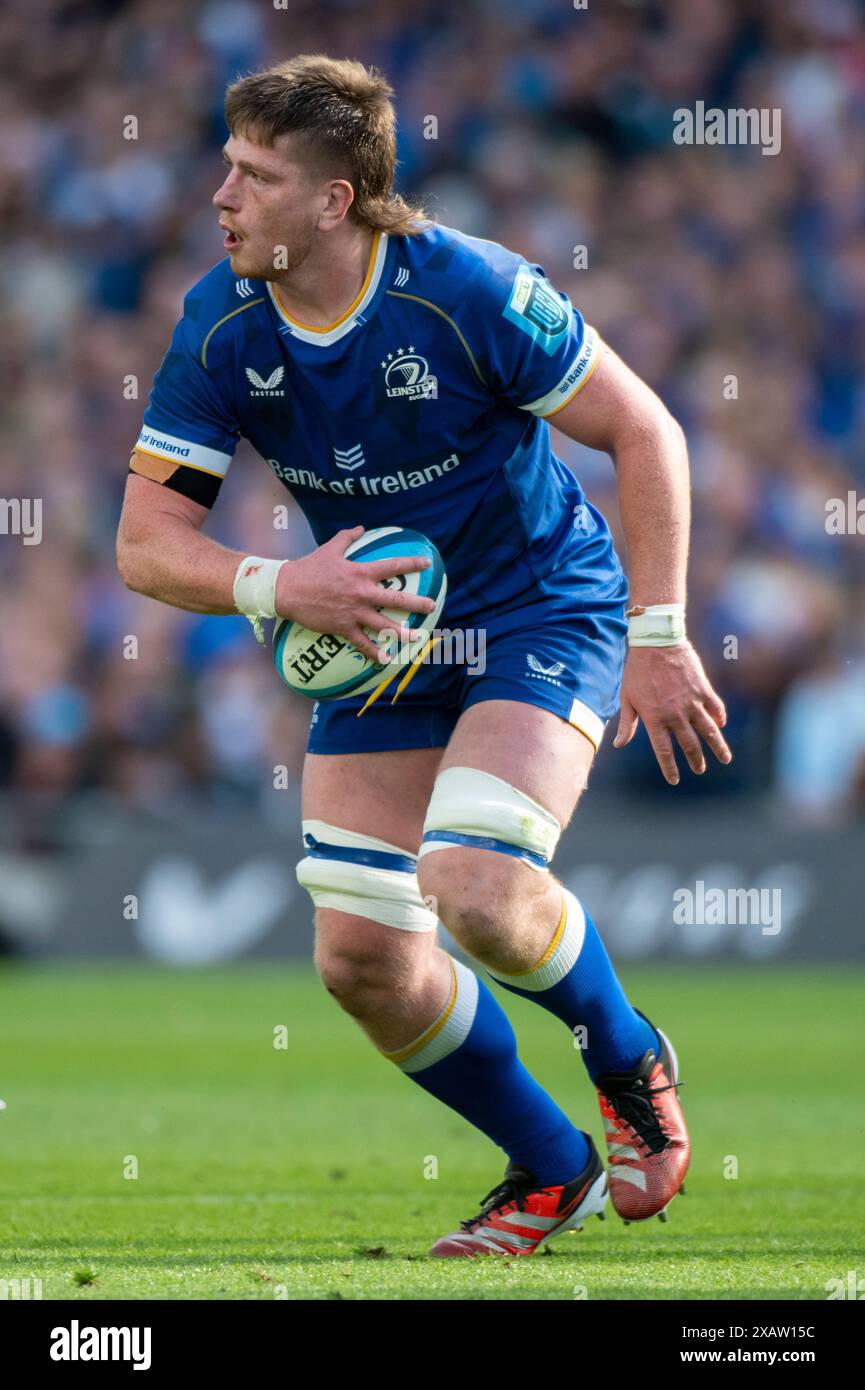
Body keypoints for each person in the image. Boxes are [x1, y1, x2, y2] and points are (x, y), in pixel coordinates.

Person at [116, 54, 731, 1257]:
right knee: (358, 958)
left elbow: (644, 431)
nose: (219, 197)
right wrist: (280, 583)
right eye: (225, 165)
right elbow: (144, 544)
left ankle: (626, 1056)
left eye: (252, 173)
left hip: (537, 610)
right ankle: (551, 1167)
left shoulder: (468, 291)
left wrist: (658, 632)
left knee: (476, 884)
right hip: (378, 635)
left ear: (334, 201)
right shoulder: (220, 323)